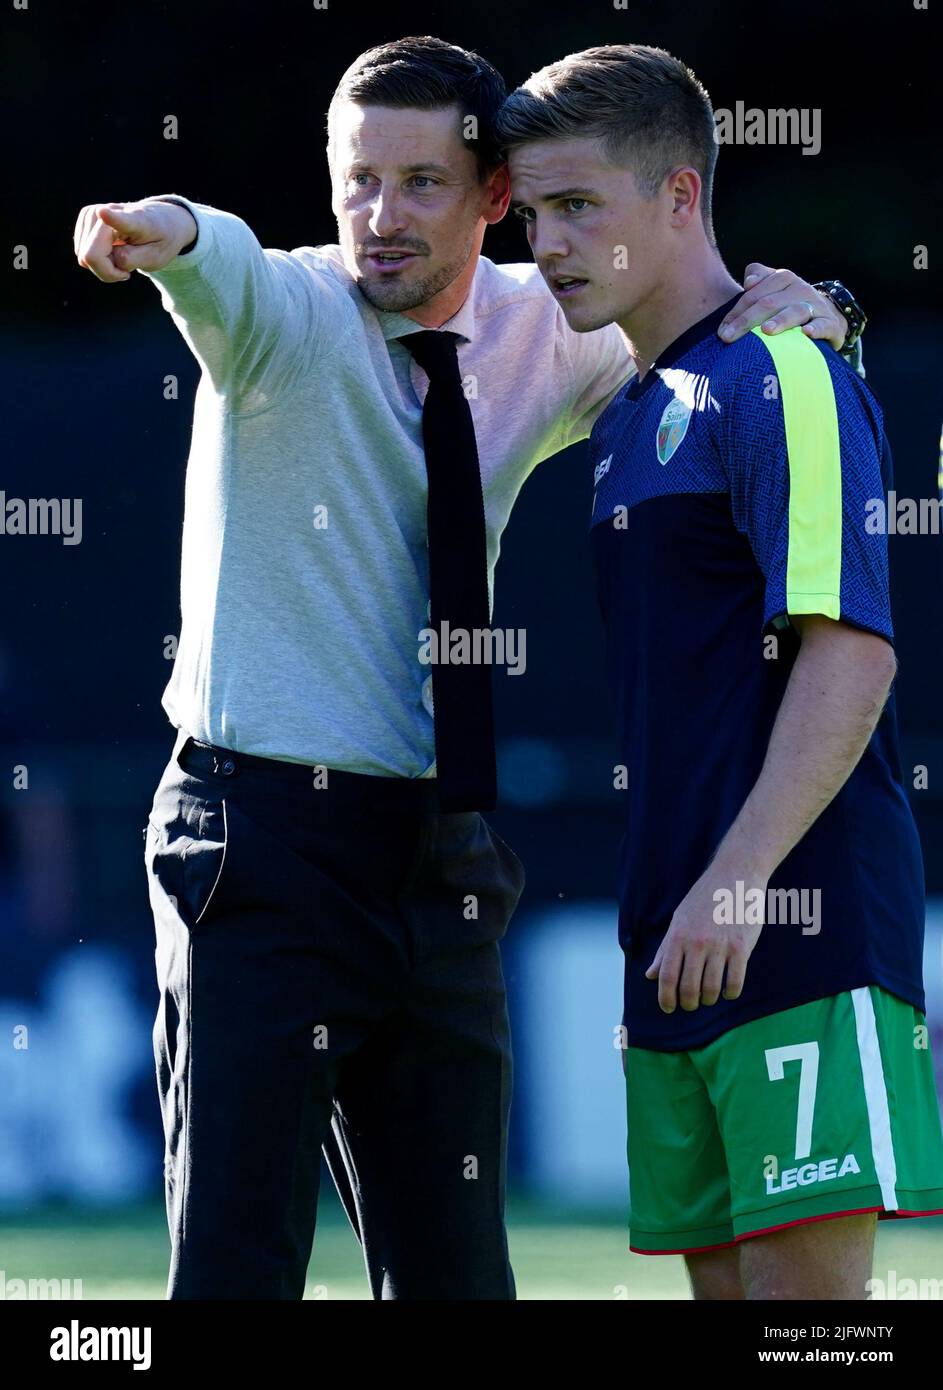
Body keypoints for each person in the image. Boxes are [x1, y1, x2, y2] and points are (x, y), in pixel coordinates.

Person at [73, 35, 852, 1301]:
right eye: (355, 179)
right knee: (230, 1268)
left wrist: (823, 311)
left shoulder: (553, 328)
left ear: (494, 199)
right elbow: (208, 249)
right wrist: (145, 226)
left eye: (420, 182)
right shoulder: (284, 312)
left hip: (442, 857)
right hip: (257, 842)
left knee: (459, 1285)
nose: (377, 218)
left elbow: (708, 331)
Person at [498, 41, 943, 1300]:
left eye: (578, 204)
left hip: (791, 920)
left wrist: (741, 883)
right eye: (532, 213)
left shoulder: (781, 378)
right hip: (675, 935)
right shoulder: (630, 407)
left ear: (680, 195)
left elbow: (849, 654)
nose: (548, 243)